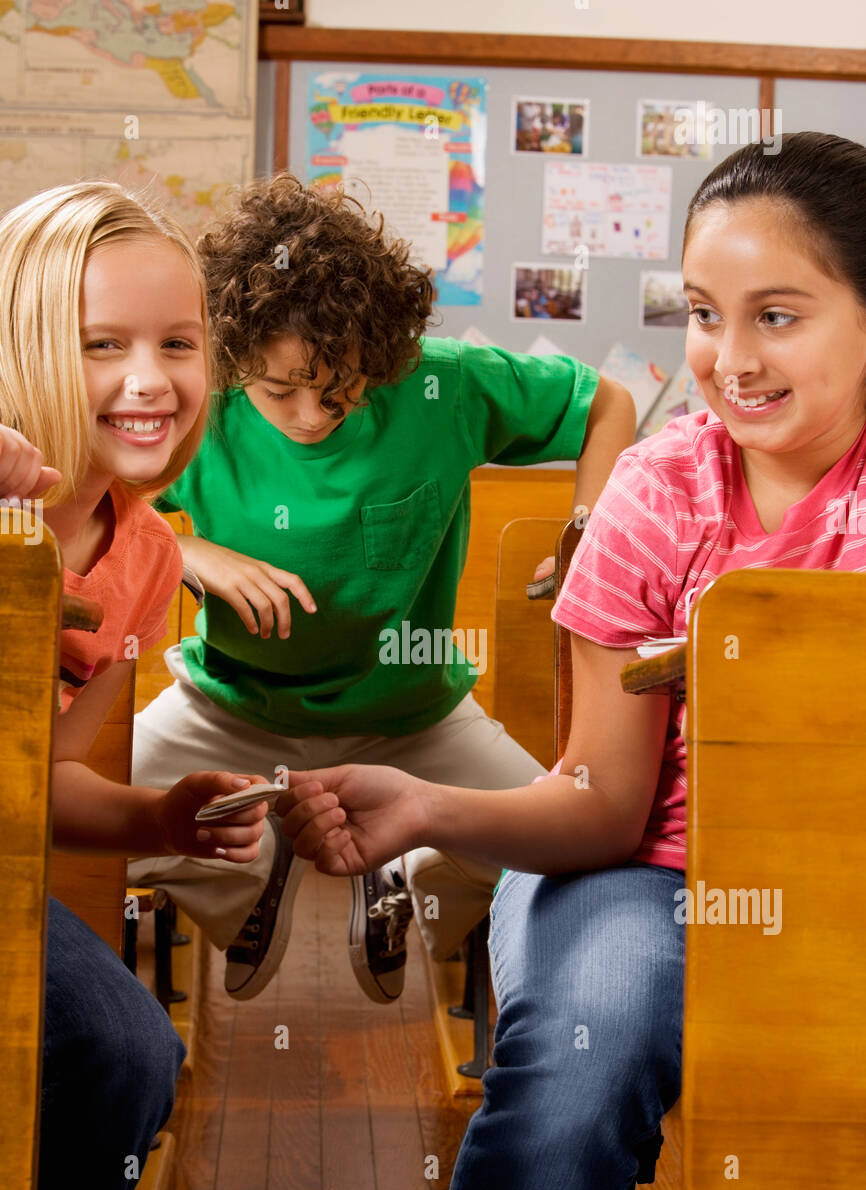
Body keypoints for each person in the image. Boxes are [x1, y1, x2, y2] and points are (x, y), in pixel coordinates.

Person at [276, 131, 866, 1190]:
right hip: (640, 869)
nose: (728, 357)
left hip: (837, 887)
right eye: (704, 312)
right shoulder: (659, 490)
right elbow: (599, 806)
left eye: (777, 316)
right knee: (582, 1060)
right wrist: (429, 804)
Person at [126, 172, 635, 1005]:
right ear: (232, 356)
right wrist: (188, 550)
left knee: (583, 847)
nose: (310, 415)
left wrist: (593, 528)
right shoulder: (199, 395)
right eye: (278, 390)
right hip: (228, 708)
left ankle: (409, 892)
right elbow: (100, 495)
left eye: (340, 388)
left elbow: (603, 400)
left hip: (414, 716)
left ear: (383, 354)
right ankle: (247, 885)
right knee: (43, 823)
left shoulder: (444, 383)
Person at [0, 182, 272, 1190]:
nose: (150, 380)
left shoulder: (150, 555)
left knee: (127, 1051)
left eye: (178, 343)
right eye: (101, 344)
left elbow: (55, 776)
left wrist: (163, 815)